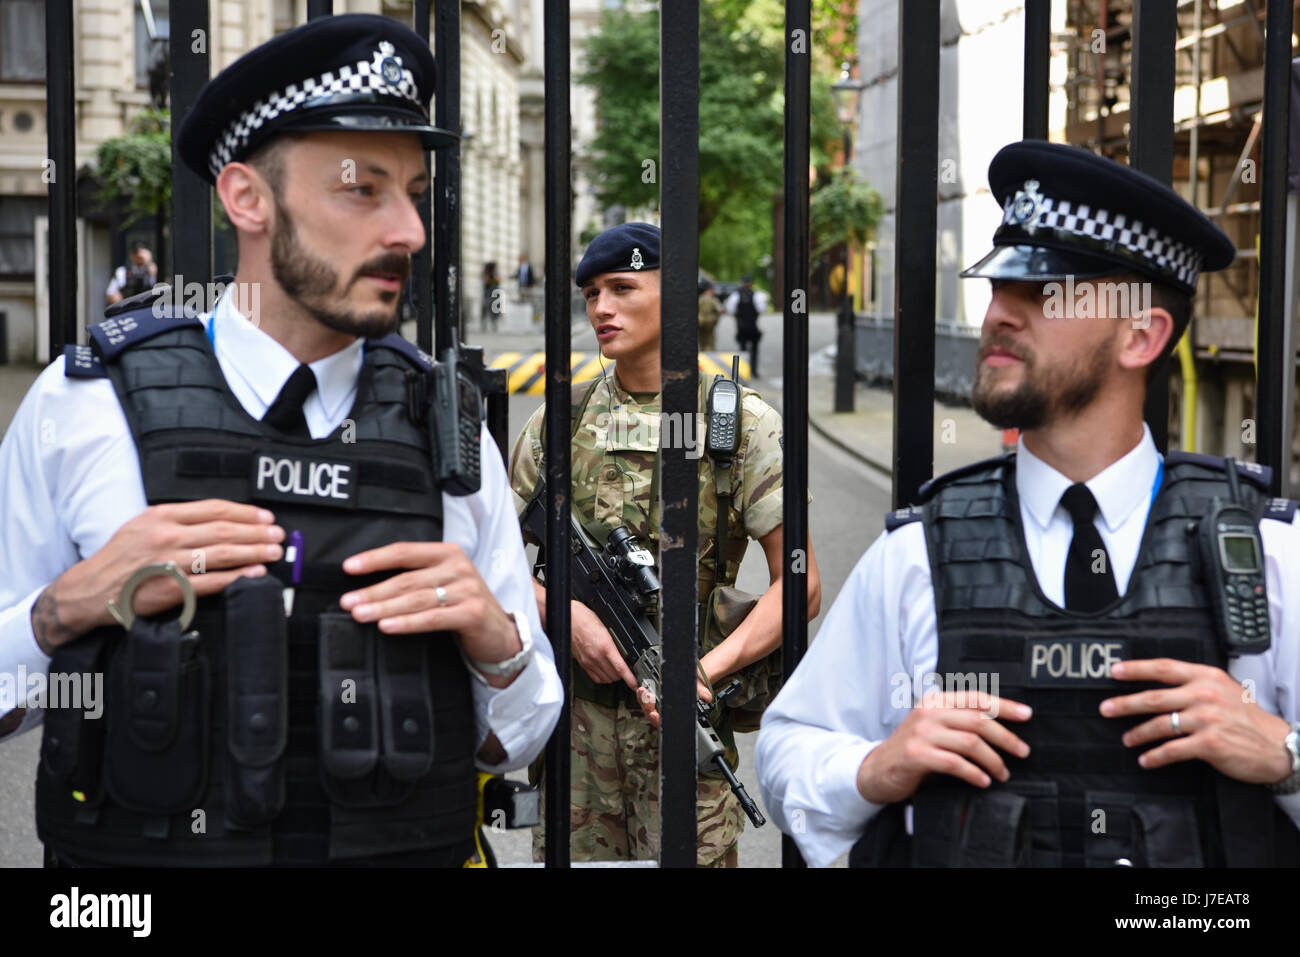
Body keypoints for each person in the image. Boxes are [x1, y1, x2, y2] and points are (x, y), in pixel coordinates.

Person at [0, 14, 562, 868]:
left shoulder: (444, 425)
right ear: (246, 198)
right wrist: (61, 612)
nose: (409, 230)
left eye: (413, 191)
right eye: (363, 189)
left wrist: (499, 645)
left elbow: (512, 742)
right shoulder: (86, 408)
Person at [756, 140, 1300, 868]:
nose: (998, 316)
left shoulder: (1265, 553)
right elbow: (790, 746)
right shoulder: (919, 554)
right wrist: (876, 767)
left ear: (1142, 334)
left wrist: (1284, 753)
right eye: (998, 287)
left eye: (1045, 292)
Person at [509, 222, 822, 866]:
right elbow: (493, 563)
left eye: (622, 287)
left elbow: (801, 582)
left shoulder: (741, 423)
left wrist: (704, 669)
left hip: (683, 730)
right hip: (577, 741)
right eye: (592, 292)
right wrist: (562, 613)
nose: (600, 308)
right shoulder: (559, 421)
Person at [725, 275, 767, 377]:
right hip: (753, 327)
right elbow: (761, 309)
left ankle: (743, 372)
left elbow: (730, 309)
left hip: (741, 327)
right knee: (754, 350)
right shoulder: (756, 295)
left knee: (742, 350)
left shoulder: (736, 295)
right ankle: (753, 371)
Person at [697, 279, 721, 352]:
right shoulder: (712, 299)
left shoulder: (700, 298)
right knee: (710, 341)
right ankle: (709, 356)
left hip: (700, 322)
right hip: (710, 323)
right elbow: (720, 310)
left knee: (702, 340)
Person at [481, 261, 501, 332]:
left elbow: (498, 280)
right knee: (485, 308)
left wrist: (494, 275)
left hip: (495, 295)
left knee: (495, 310)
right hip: (487, 294)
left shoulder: (495, 274)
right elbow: (485, 281)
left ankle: (494, 324)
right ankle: (484, 324)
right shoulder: (486, 273)